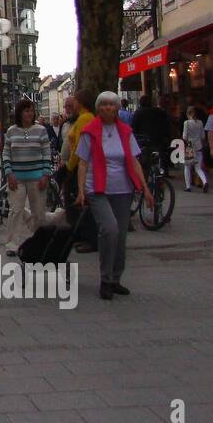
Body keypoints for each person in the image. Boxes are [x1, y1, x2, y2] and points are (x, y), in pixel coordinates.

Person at [75, 91, 152, 302]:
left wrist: (145, 187)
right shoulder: (89, 131)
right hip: (98, 189)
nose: (107, 108)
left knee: (120, 237)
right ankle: (105, 278)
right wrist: (81, 190)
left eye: (111, 105)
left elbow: (134, 161)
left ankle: (115, 279)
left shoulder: (125, 131)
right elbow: (82, 162)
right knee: (109, 229)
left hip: (123, 189)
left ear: (117, 108)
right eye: (103, 105)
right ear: (98, 108)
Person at [2, 98, 51, 256]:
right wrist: (9, 173)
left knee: (38, 211)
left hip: (37, 177)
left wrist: (45, 174)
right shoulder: (11, 131)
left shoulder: (41, 130)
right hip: (17, 178)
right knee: (15, 211)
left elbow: (46, 153)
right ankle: (12, 244)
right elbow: (6, 154)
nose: (29, 113)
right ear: (20, 113)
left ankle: (38, 241)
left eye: (31, 110)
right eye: (26, 110)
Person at [62, 88, 98, 253]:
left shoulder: (85, 118)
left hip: (79, 167)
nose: (72, 103)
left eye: (75, 100)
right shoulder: (84, 117)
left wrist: (69, 166)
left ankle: (88, 238)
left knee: (81, 203)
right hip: (77, 165)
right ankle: (84, 236)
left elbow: (79, 146)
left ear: (81, 102)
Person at [181, 106, 209, 192]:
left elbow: (185, 137)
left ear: (188, 114)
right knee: (198, 167)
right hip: (199, 147)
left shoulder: (186, 123)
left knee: (187, 166)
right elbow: (203, 136)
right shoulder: (200, 122)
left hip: (190, 146)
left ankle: (188, 186)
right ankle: (205, 182)